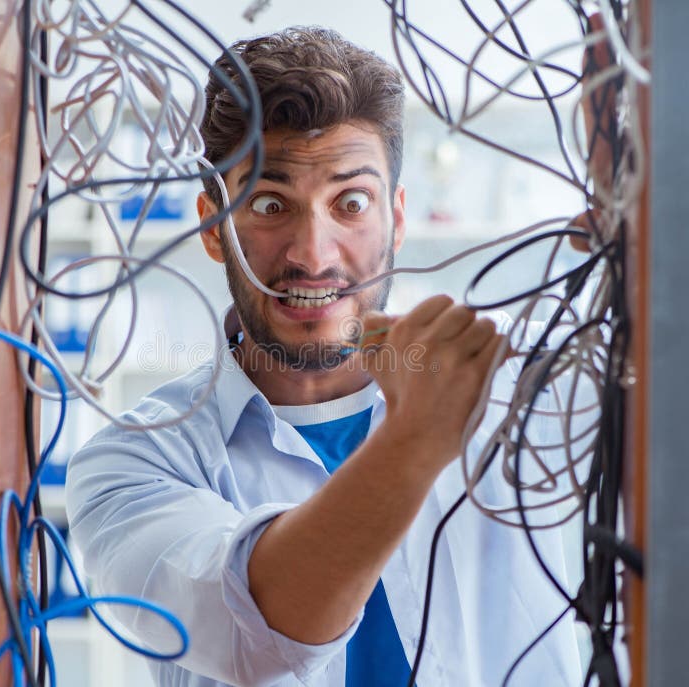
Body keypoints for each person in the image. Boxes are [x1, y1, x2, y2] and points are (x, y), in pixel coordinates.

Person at [66, 26, 583, 686]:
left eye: (351, 202)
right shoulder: (130, 462)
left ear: (397, 217)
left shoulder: (520, 374)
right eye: (270, 203)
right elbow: (259, 628)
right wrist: (418, 437)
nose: (314, 253)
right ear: (211, 227)